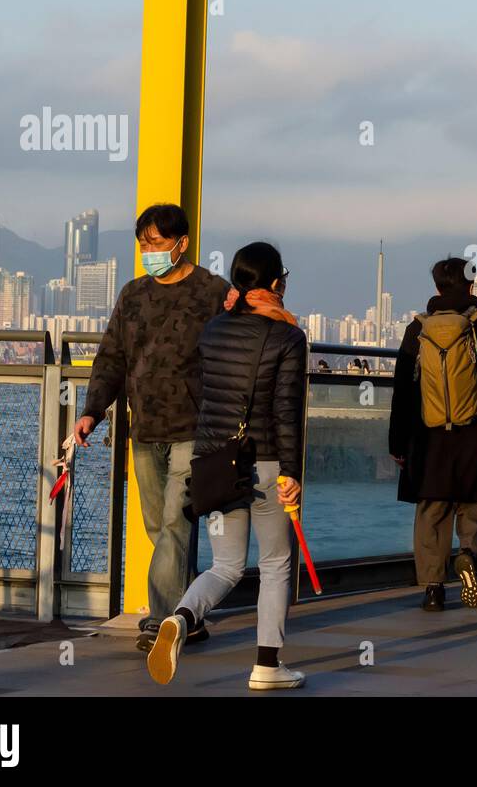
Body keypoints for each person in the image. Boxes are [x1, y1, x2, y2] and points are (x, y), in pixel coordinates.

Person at [146, 242, 308, 690]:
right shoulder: (287, 337)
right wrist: (291, 474)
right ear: (276, 283)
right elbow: (285, 412)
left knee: (225, 567)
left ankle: (180, 617)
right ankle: (267, 667)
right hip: (266, 466)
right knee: (275, 563)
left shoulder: (213, 330)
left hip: (216, 465)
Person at [74, 203, 229, 652]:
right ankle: (190, 617)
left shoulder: (213, 292)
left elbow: (234, 351)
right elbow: (112, 357)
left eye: (157, 243)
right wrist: (92, 410)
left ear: (182, 243)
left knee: (176, 523)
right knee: (156, 526)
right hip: (142, 427)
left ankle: (164, 622)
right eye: (143, 244)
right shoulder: (133, 293)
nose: (149, 251)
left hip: (194, 427)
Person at [389, 257, 477, 612]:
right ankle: (468, 555)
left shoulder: (417, 329)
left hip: (427, 437)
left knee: (432, 508)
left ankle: (433, 588)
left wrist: (397, 444)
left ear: (437, 288)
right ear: (471, 286)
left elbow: (403, 391)